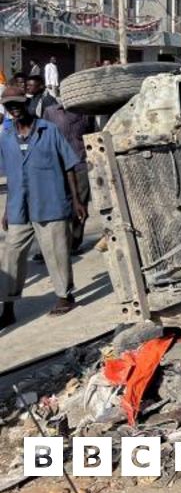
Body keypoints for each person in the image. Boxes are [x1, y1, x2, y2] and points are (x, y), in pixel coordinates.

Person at [0, 86, 86, 326]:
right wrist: (7, 209)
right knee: (12, 254)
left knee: (56, 251)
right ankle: (8, 306)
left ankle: (65, 297)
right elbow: (12, 177)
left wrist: (77, 200)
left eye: (17, 103)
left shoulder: (49, 130)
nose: (14, 108)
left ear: (26, 103)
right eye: (9, 105)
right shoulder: (6, 137)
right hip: (19, 207)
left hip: (50, 201)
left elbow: (69, 164)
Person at [43, 103, 93, 253]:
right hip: (59, 167)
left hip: (80, 165)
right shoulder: (50, 112)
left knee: (80, 205)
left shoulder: (83, 110)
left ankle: (74, 243)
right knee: (60, 206)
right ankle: (59, 243)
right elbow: (43, 136)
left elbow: (90, 133)